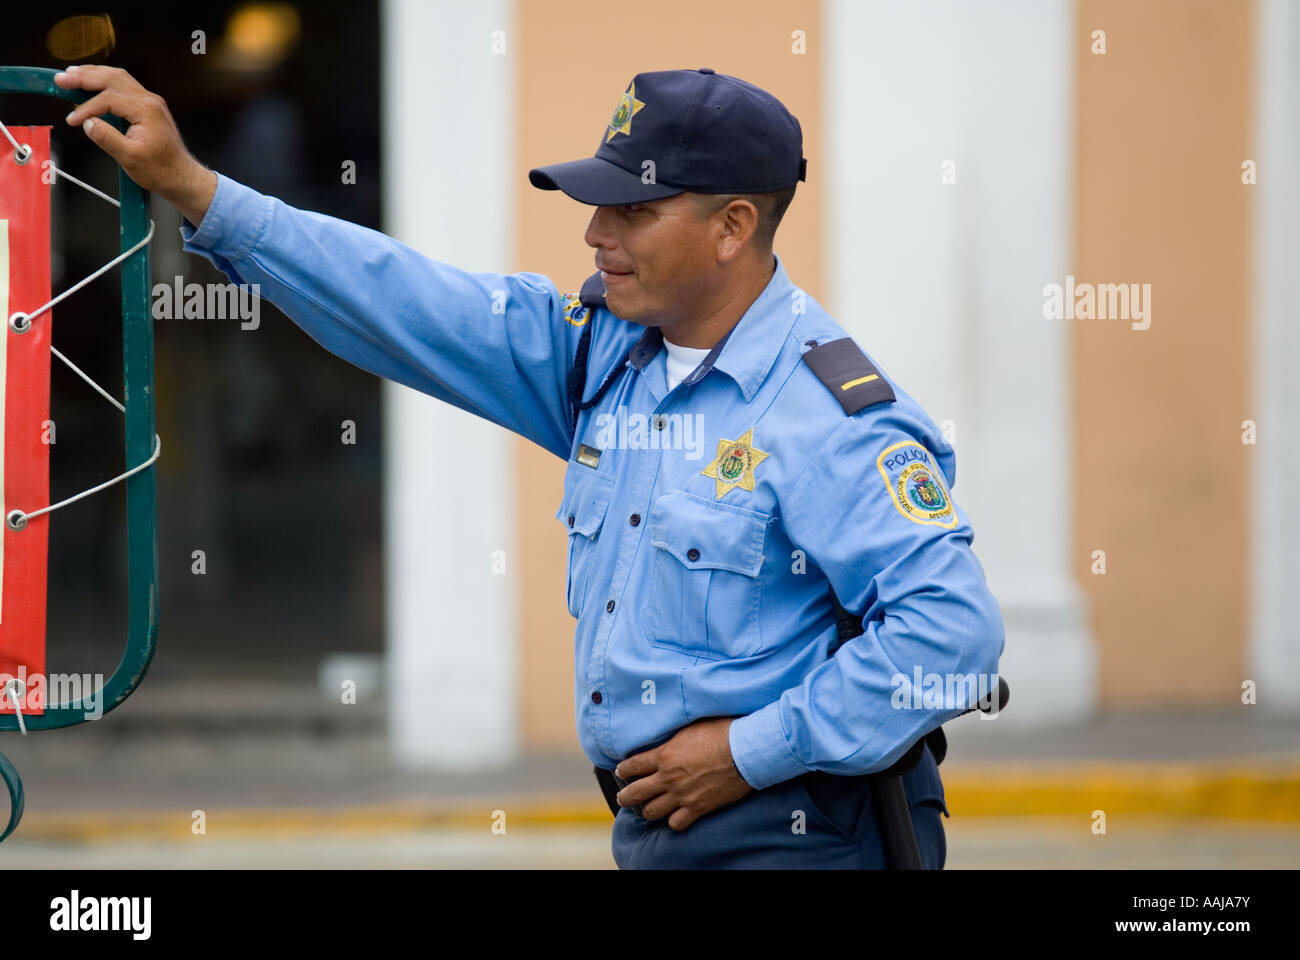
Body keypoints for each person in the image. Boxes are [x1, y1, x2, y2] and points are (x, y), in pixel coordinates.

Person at [55, 64, 1005, 869]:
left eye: (634, 209)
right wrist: (194, 188)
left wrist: (751, 753)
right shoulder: (604, 354)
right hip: (663, 831)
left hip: (796, 834)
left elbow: (952, 637)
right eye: (597, 204)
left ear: (733, 227)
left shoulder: (827, 414)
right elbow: (400, 301)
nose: (597, 235)